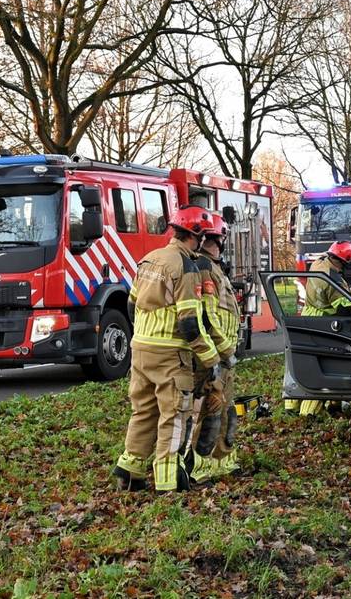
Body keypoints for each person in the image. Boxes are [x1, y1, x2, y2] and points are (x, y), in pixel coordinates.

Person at [113, 205, 221, 493]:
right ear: (195, 235)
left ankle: (129, 470)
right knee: (174, 414)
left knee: (143, 410)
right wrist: (211, 359)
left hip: (141, 349)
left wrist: (144, 335)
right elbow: (189, 322)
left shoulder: (149, 259)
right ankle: (168, 480)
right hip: (170, 354)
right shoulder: (185, 266)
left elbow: (132, 304)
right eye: (203, 236)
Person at [283, 241, 351, 416]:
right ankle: (309, 415)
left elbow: (343, 291)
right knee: (323, 370)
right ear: (339, 262)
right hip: (323, 324)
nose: (344, 268)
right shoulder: (330, 276)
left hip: (309, 318)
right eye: (344, 264)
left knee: (302, 364)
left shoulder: (320, 263)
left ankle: (292, 406)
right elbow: (345, 307)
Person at [187, 214, 241, 485]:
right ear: (217, 239)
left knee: (225, 410)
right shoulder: (204, 267)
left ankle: (221, 462)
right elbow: (207, 316)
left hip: (222, 352)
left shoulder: (214, 267)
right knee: (211, 410)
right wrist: (220, 353)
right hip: (213, 354)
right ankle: (197, 468)